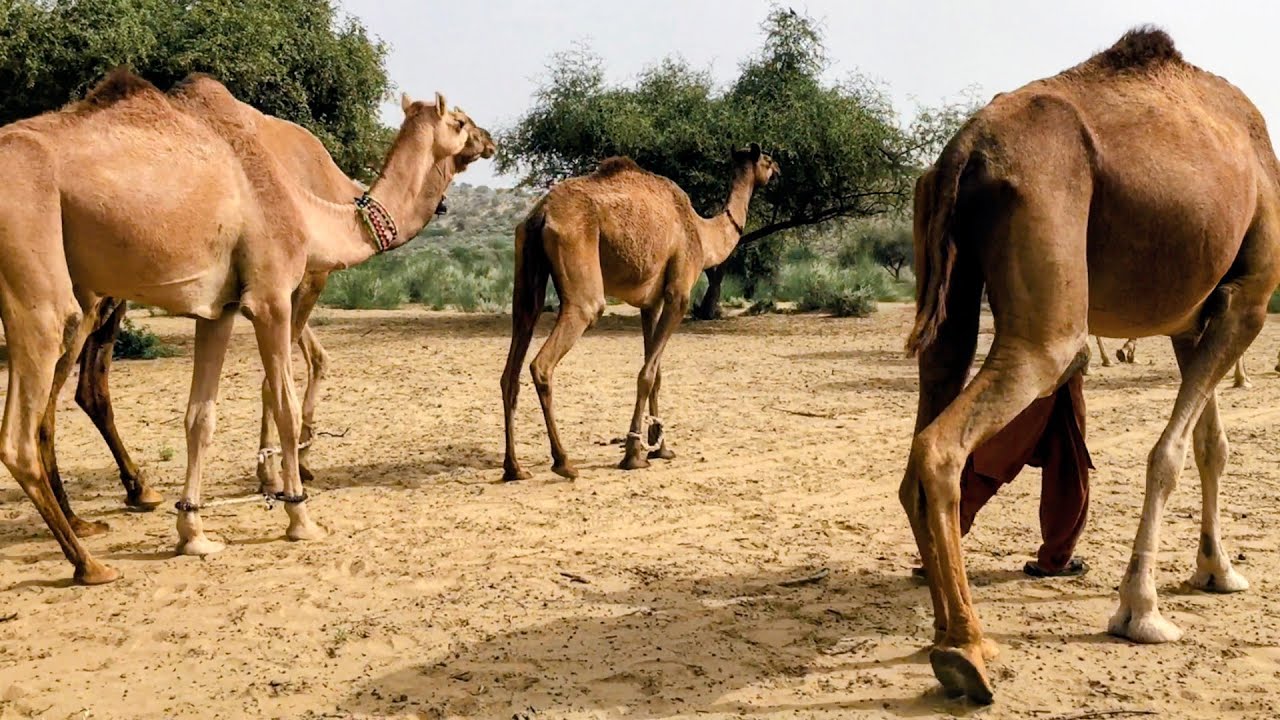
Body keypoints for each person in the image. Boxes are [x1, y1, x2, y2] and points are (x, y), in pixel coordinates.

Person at [915, 371, 1092, 578]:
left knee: (1059, 455)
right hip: (1054, 361)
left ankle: (1057, 556)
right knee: (1054, 458)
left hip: (1047, 368)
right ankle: (939, 548)